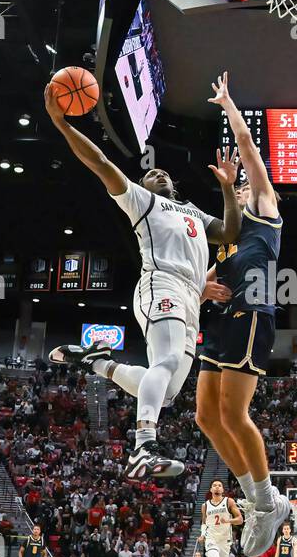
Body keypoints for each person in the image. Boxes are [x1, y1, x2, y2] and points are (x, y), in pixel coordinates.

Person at [44, 81, 242, 480]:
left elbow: (232, 232)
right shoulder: (141, 200)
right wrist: (62, 125)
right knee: (165, 363)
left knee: (166, 391)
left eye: (161, 170)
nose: (156, 171)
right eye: (149, 172)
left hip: (190, 298)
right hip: (160, 285)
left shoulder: (194, 214)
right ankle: (143, 447)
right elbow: (99, 161)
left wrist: (227, 188)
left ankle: (96, 361)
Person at [194, 71, 293, 557]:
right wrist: (202, 289)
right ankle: (262, 500)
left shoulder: (266, 208)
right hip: (221, 320)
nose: (237, 186)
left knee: (234, 412)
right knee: (206, 417)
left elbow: (250, 148)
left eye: (242, 184)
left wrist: (229, 107)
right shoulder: (230, 236)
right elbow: (208, 279)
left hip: (253, 312)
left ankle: (263, 502)